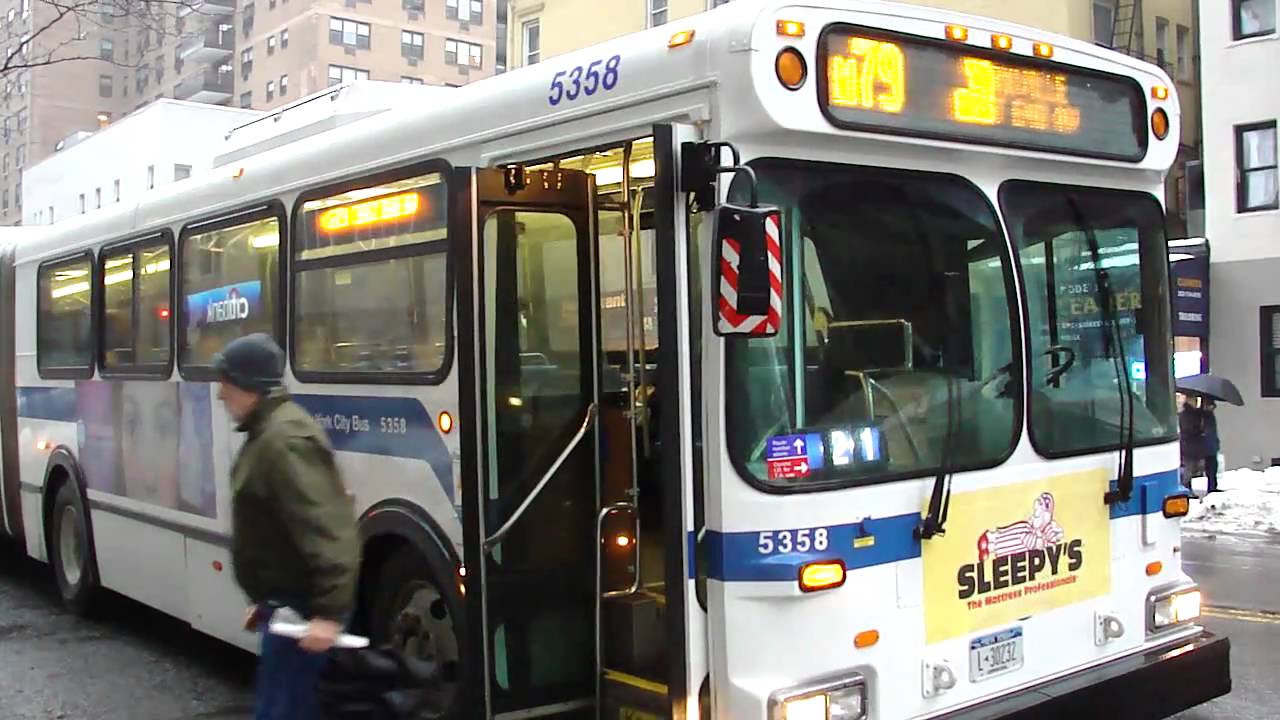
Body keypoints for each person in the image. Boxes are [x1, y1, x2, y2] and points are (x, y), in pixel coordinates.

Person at [213, 333, 360, 720]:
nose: (219, 395)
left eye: (224, 384)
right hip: (285, 609)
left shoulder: (284, 440)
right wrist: (264, 601)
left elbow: (328, 530)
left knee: (283, 712)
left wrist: (327, 615)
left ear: (248, 386)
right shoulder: (269, 433)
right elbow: (280, 528)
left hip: (303, 611)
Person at [1202, 400, 1220, 494]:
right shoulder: (1204, 416)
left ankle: (1213, 486)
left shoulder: (1210, 416)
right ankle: (1211, 487)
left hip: (1212, 445)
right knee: (1210, 468)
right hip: (1207, 446)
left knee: (1213, 468)